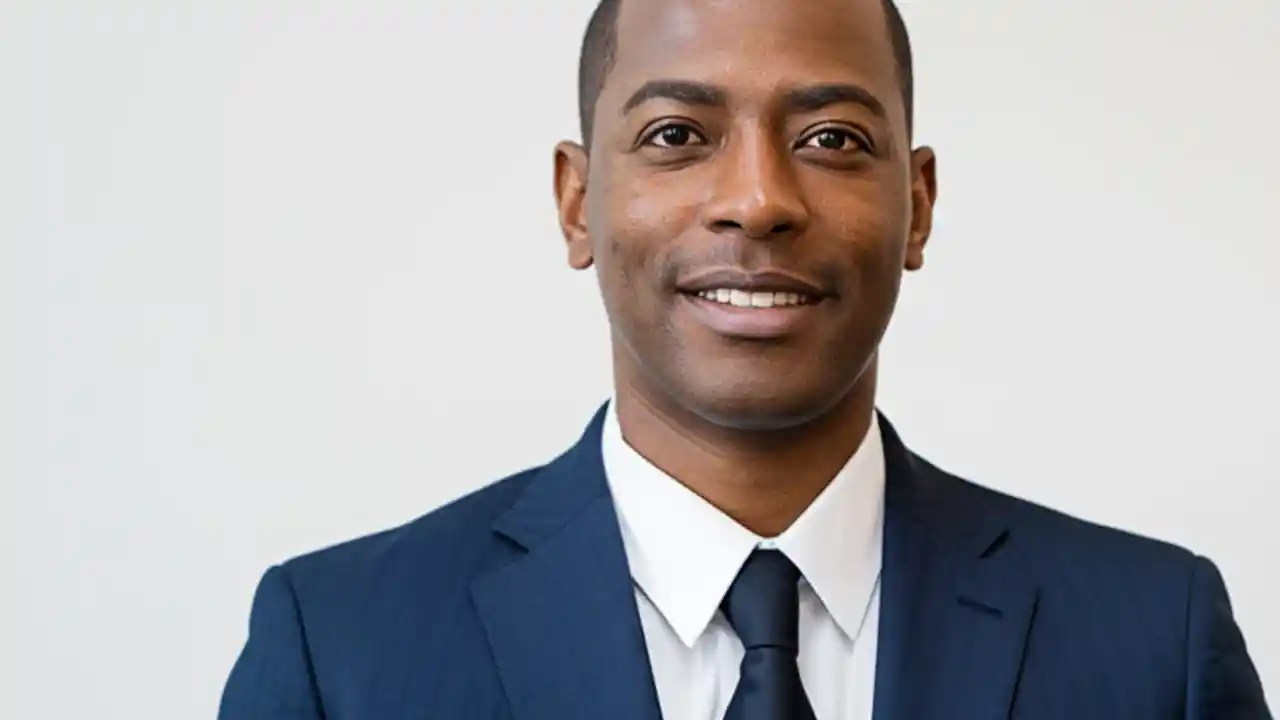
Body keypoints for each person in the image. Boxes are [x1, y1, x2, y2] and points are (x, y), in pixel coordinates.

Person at [218, 0, 1272, 717]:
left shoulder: (1153, 643)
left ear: (918, 205)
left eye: (832, 140)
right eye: (677, 135)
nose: (759, 200)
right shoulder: (341, 651)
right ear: (577, 202)